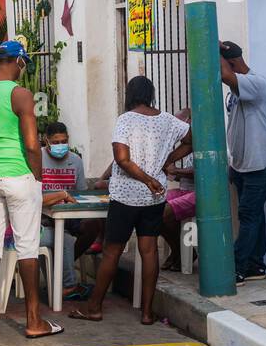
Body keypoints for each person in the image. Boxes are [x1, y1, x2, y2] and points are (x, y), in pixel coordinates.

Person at [71, 76, 191, 326]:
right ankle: (147, 313)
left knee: (112, 251)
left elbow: (122, 159)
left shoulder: (125, 120)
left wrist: (147, 178)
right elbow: (194, 140)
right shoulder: (168, 120)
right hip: (154, 197)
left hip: (126, 196)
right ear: (150, 94)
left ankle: (94, 307)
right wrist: (166, 160)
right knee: (148, 252)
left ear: (129, 94)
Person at [0, 40, 62, 337]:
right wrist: (37, 178)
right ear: (18, 61)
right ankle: (34, 322)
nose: (23, 72)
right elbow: (33, 145)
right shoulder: (20, 95)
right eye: (24, 66)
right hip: (20, 177)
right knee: (27, 248)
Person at [219, 40, 266, 284]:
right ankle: (256, 265)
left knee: (248, 214)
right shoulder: (237, 89)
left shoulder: (256, 83)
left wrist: (207, 44)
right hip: (242, 164)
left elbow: (226, 76)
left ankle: (236, 267)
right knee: (253, 215)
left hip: (261, 164)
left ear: (233, 63)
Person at [39, 120, 96, 301]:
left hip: (70, 215)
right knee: (63, 239)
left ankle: (61, 269)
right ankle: (67, 285)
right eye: (55, 142)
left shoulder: (75, 160)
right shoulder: (37, 159)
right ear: (46, 141)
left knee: (94, 225)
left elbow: (80, 193)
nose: (60, 146)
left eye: (63, 141)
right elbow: (33, 197)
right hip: (43, 217)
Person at [160, 106, 196, 271]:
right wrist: (176, 174)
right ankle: (178, 250)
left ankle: (179, 252)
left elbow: (203, 173)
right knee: (153, 207)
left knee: (164, 212)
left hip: (199, 194)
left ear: (189, 122)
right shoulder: (186, 145)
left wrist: (177, 171)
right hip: (184, 189)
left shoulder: (203, 141)